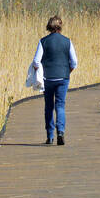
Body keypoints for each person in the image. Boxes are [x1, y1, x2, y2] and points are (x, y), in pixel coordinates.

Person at [32, 15, 77, 145]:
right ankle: (61, 132)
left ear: (48, 26)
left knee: (48, 107)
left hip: (47, 78)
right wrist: (67, 71)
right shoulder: (67, 41)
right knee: (60, 105)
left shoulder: (43, 41)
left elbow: (36, 61)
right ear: (60, 26)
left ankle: (50, 136)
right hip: (63, 77)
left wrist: (37, 70)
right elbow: (74, 62)